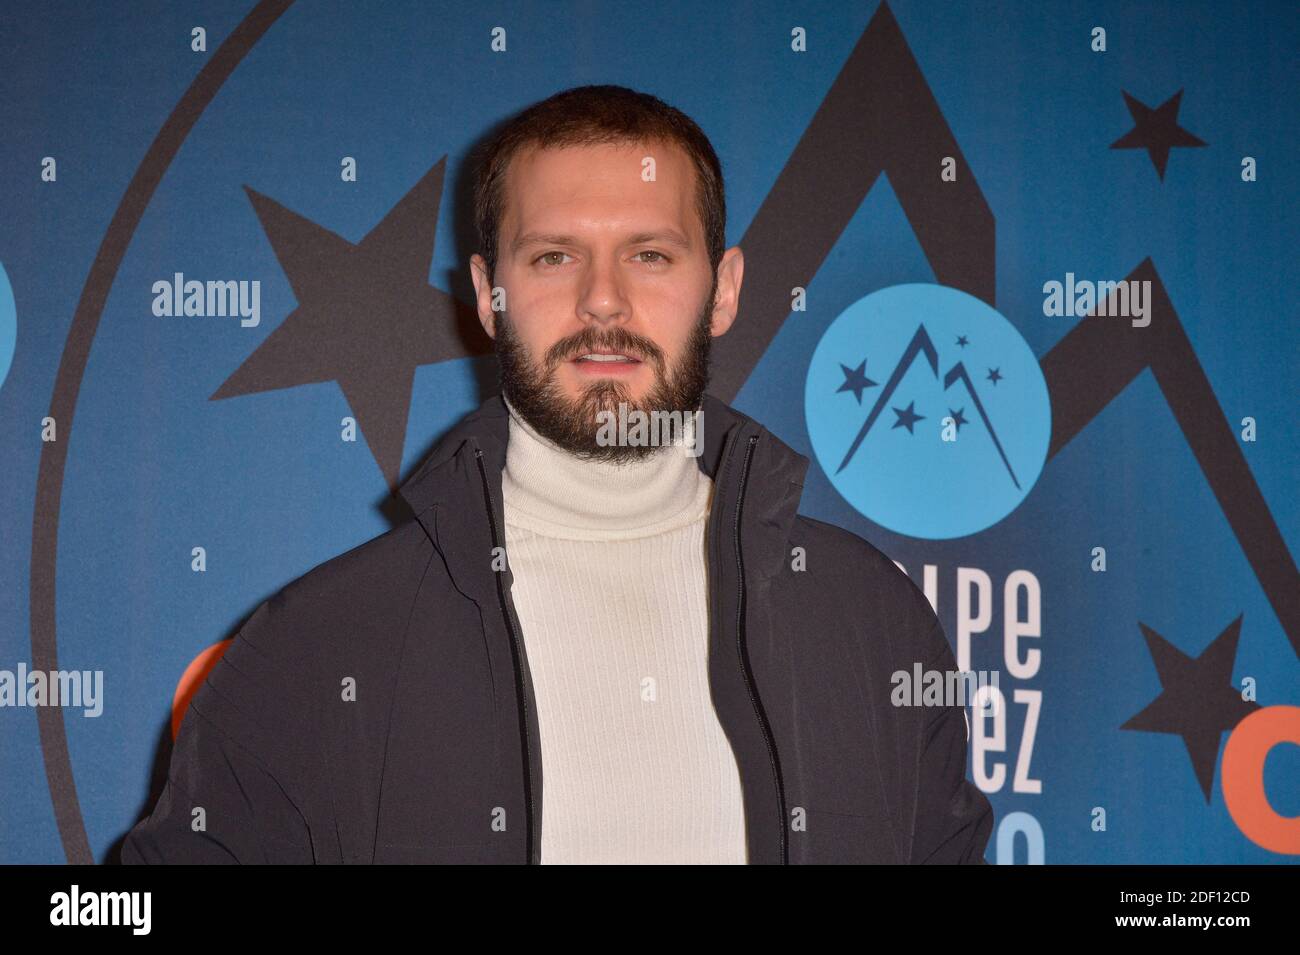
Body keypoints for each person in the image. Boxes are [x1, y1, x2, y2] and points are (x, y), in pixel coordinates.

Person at [121, 84, 993, 864]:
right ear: (486, 293)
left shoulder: (872, 619)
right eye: (553, 257)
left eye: (650, 254)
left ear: (723, 290)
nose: (602, 301)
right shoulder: (315, 644)